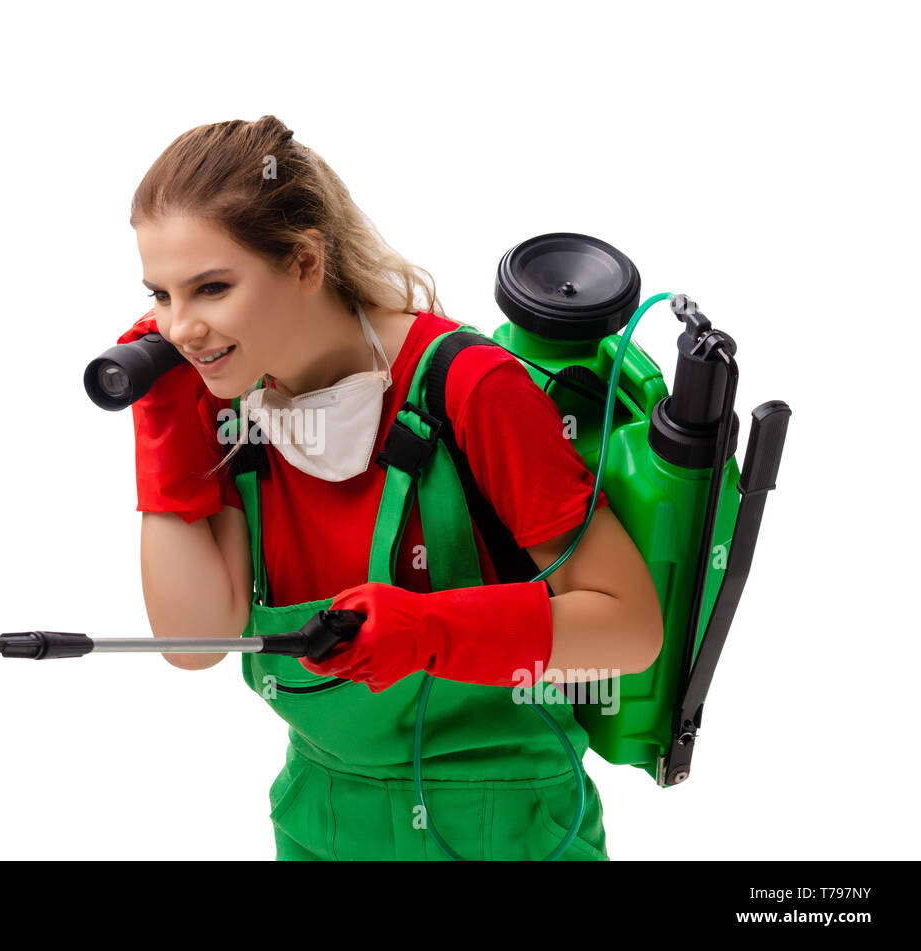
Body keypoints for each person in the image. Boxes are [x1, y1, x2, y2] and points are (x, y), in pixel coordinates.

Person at [120, 115, 664, 860]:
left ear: (305, 262)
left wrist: (430, 632)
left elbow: (631, 627)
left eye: (211, 287)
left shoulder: (472, 388)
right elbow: (191, 643)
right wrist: (161, 435)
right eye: (160, 294)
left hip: (509, 823)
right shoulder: (226, 409)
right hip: (322, 821)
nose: (180, 327)